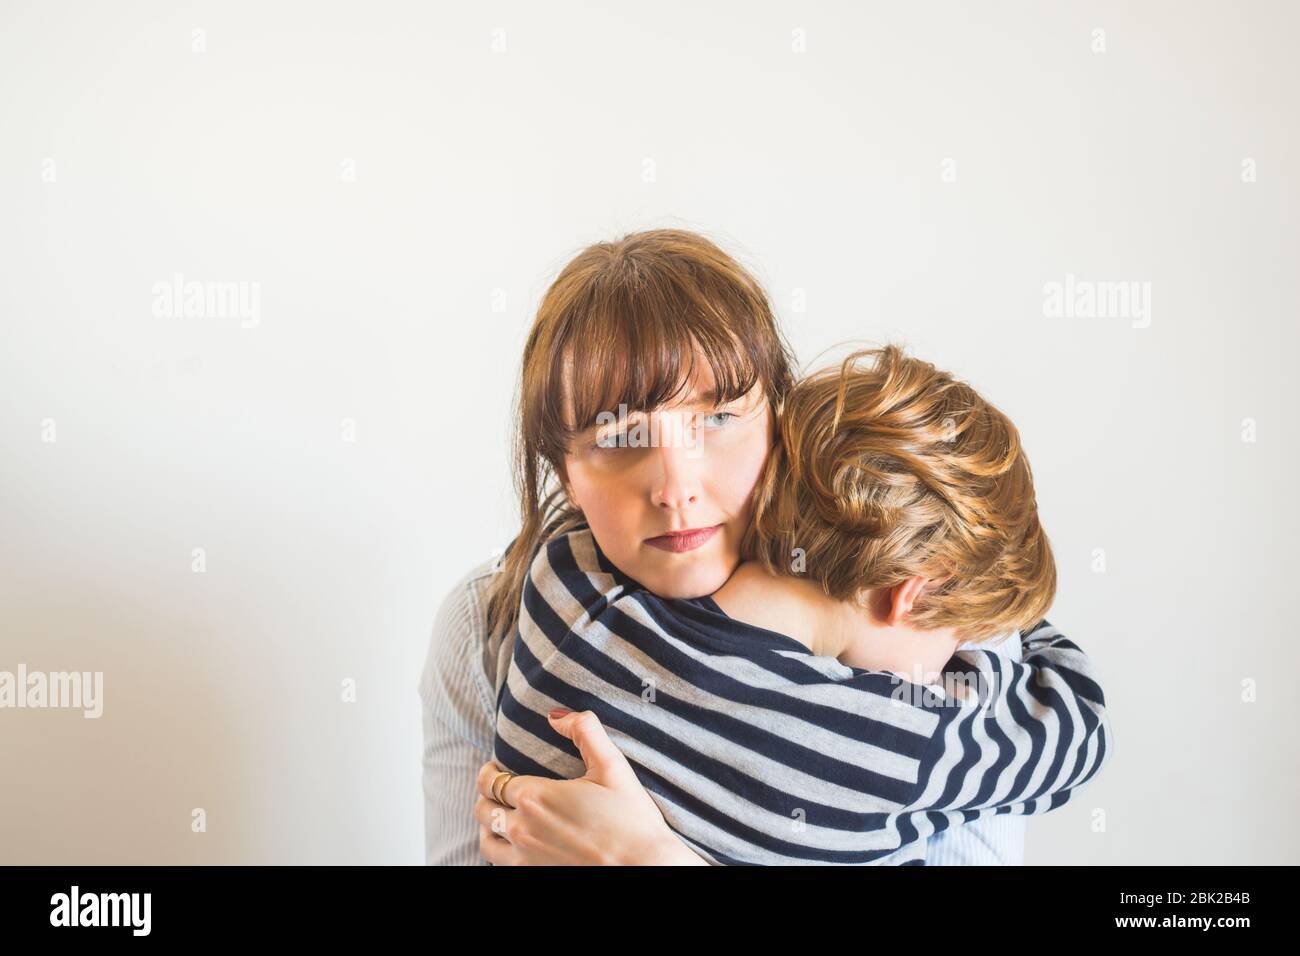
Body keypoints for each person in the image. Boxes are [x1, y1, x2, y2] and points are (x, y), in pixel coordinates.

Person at [423, 229, 1034, 864]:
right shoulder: (485, 620)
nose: (675, 487)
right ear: (566, 473)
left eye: (717, 420)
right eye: (621, 437)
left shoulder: (927, 612)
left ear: (780, 414)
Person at [489, 344, 1109, 864]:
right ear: (912, 593)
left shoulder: (565, 588)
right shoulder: (888, 745)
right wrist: (1006, 606)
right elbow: (1074, 725)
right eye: (956, 642)